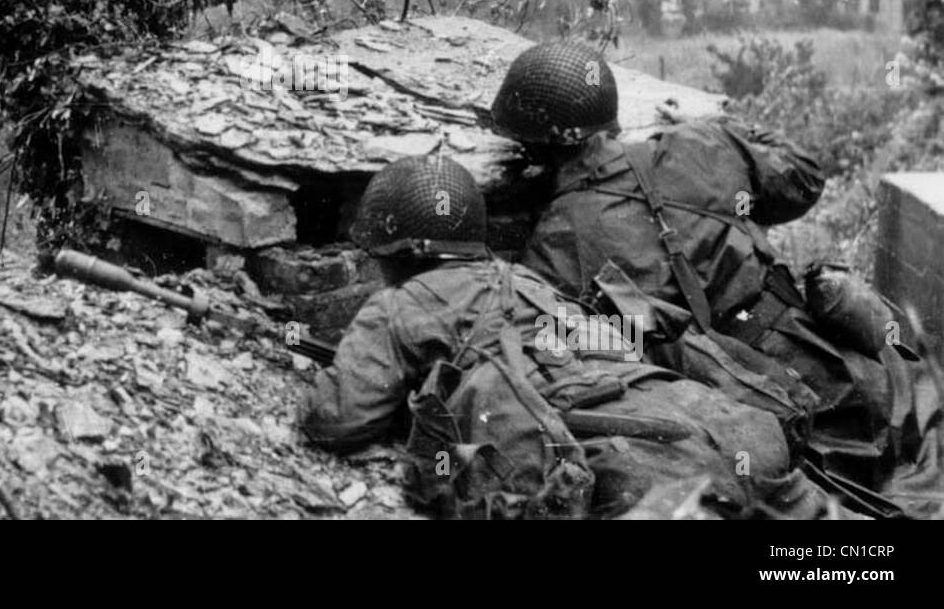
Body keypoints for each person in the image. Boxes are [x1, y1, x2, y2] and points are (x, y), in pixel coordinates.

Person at [487, 38, 932, 494]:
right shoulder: (698, 142)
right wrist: (721, 127)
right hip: (848, 369)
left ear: (539, 146)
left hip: (750, 409)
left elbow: (577, 355)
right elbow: (804, 177)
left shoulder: (555, 241)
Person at [300, 153, 828, 519]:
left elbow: (337, 419)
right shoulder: (530, 282)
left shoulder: (396, 307)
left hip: (642, 471)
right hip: (733, 429)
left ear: (399, 253)